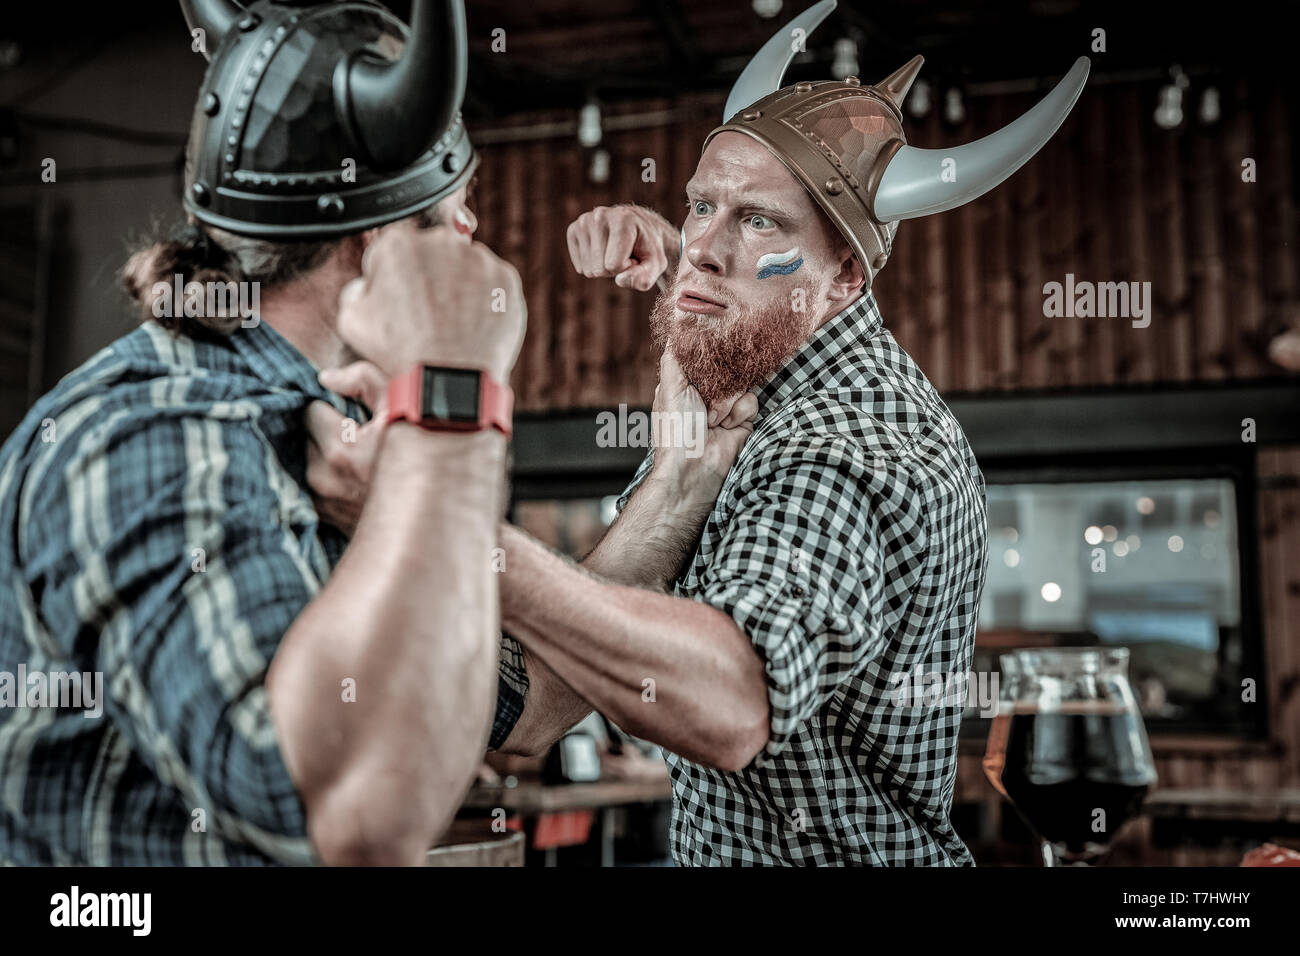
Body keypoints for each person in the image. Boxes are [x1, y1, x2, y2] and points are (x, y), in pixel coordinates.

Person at [308, 3, 1089, 864]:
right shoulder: (739, 402)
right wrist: (676, 485)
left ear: (842, 280)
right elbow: (532, 713)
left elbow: (732, 705)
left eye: (759, 221)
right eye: (701, 206)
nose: (701, 248)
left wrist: (441, 510)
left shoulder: (844, 445)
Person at [0, 0, 531, 866]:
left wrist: (677, 474)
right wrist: (456, 399)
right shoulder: (158, 433)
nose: (470, 233)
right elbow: (353, 814)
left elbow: (512, 705)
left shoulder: (335, 431)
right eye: (455, 206)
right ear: (380, 238)